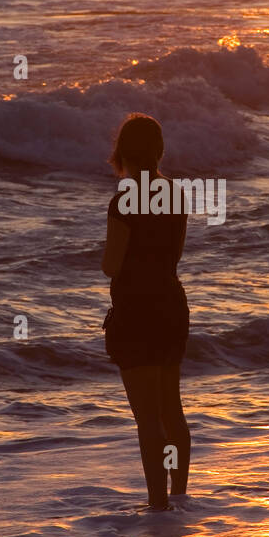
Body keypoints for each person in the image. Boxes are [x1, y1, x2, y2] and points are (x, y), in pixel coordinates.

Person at [102, 114, 191, 510]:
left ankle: (158, 505)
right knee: (171, 409)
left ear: (123, 151)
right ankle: (178, 496)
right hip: (171, 304)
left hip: (136, 311)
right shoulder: (175, 193)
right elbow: (175, 253)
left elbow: (111, 263)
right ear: (159, 150)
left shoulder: (124, 199)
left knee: (146, 418)